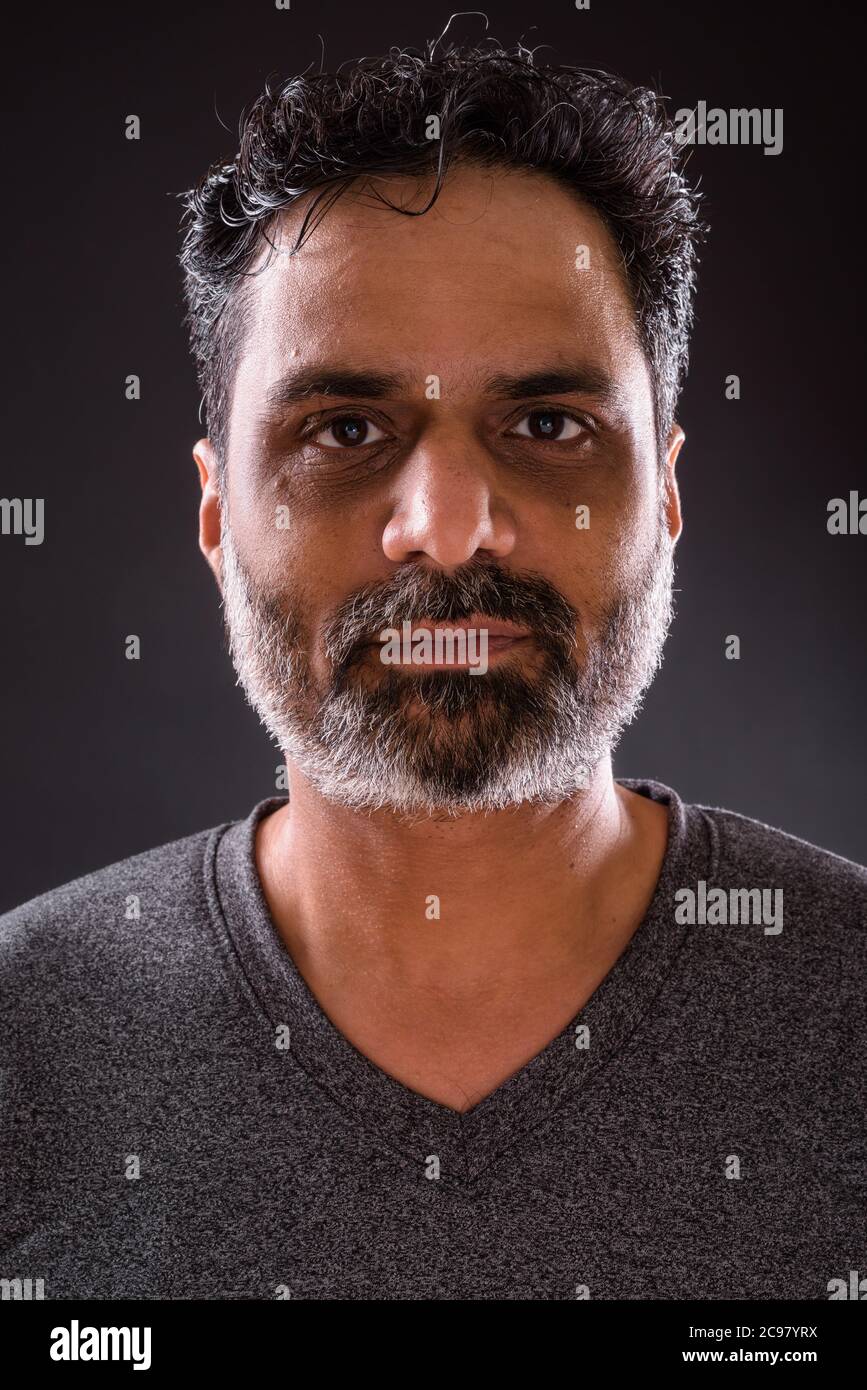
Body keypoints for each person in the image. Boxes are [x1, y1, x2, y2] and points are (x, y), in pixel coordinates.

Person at [1, 41, 864, 1301]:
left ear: (666, 492)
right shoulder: (22, 1049)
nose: (450, 528)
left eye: (549, 426)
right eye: (344, 431)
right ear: (215, 515)